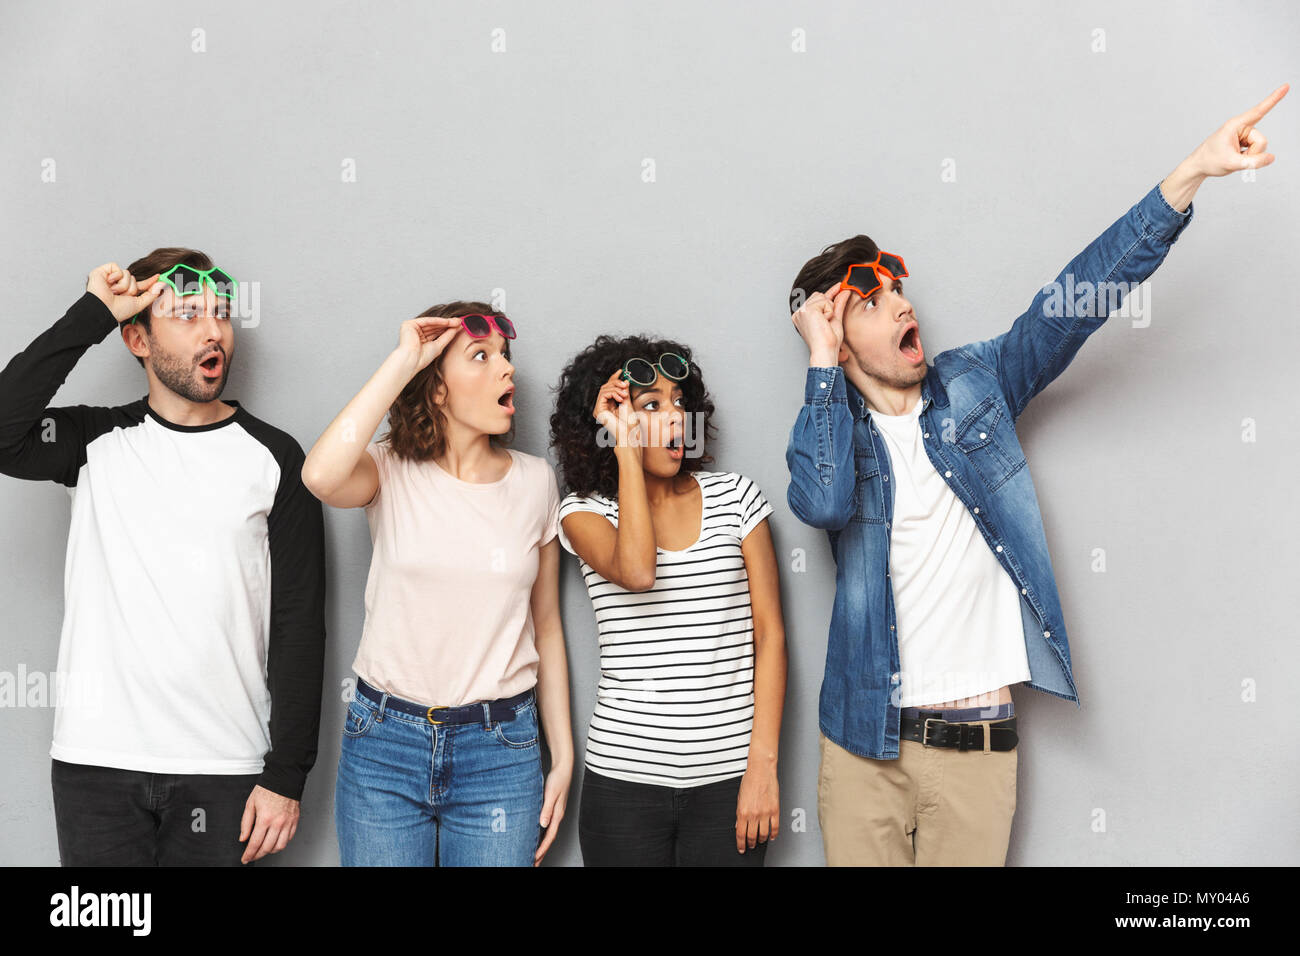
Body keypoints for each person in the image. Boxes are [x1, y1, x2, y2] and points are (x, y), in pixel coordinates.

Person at [784, 85, 1287, 866]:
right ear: (839, 343)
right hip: (862, 748)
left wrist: (1190, 173)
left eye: (899, 289)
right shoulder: (830, 434)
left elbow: (1075, 301)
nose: (901, 304)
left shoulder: (979, 385)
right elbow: (820, 504)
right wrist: (819, 366)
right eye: (872, 301)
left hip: (976, 747)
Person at [0, 251, 327, 866]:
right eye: (187, 314)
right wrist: (93, 312)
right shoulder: (94, 443)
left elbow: (299, 627)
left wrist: (286, 776)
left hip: (225, 768)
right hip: (96, 767)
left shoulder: (276, 458)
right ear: (137, 339)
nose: (214, 332)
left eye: (223, 315)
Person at [303, 302, 572, 866]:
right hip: (384, 745)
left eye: (505, 356)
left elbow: (546, 626)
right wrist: (404, 360)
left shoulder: (535, 483)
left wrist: (563, 756)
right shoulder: (389, 468)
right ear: (439, 391)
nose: (506, 370)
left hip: (500, 750)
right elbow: (320, 475)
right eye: (481, 356)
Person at [550, 335, 787, 866]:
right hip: (622, 784)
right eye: (650, 405)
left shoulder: (737, 497)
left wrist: (763, 767)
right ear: (608, 423)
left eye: (679, 402)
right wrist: (627, 454)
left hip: (730, 781)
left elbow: (770, 636)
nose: (675, 418)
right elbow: (637, 570)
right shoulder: (582, 513)